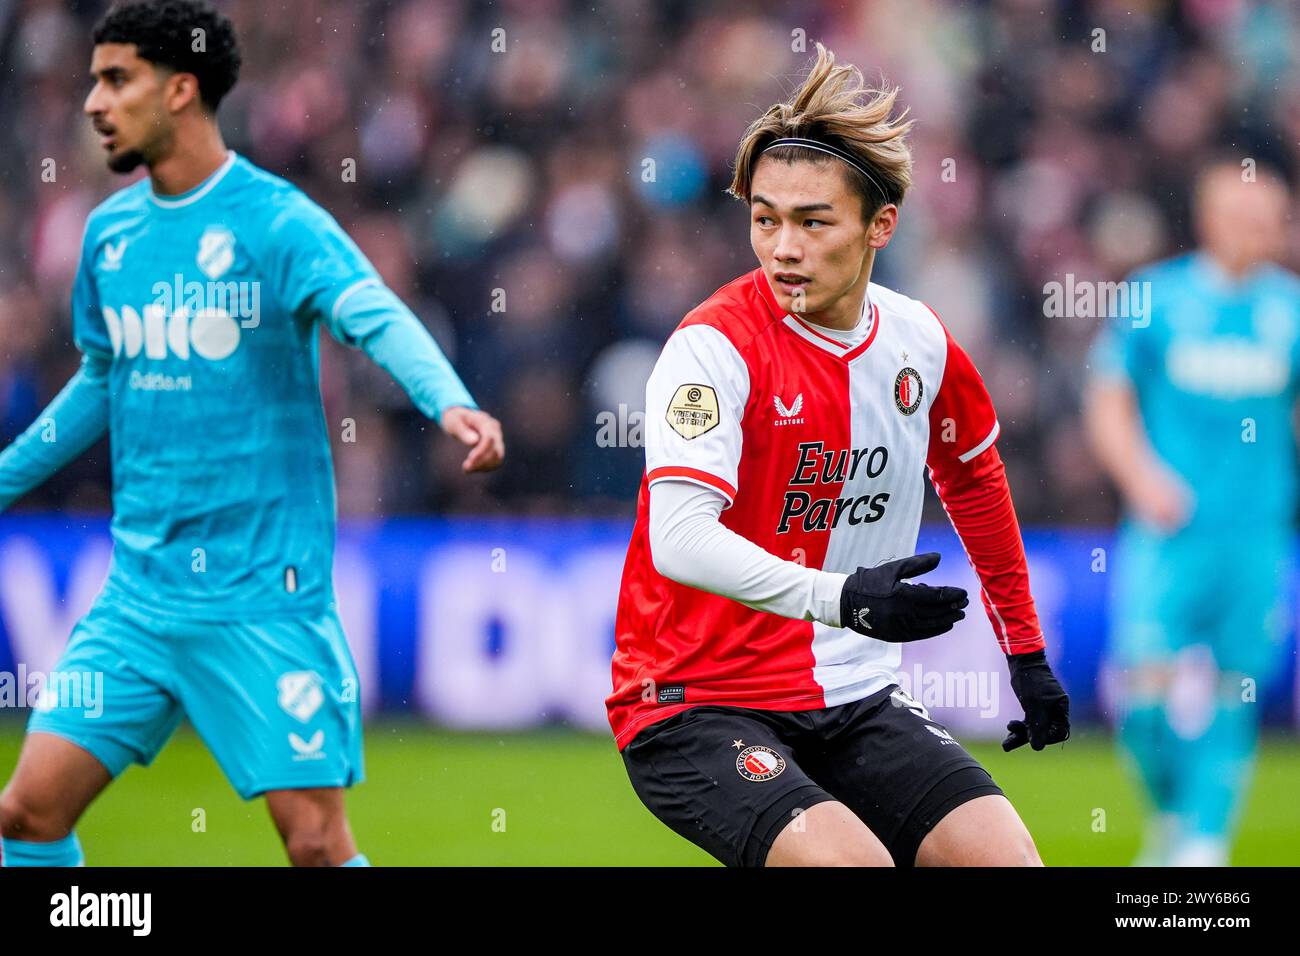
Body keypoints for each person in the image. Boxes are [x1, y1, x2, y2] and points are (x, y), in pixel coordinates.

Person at [0, 0, 503, 867]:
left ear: (182, 89)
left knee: (313, 843)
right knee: (28, 813)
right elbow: (102, 381)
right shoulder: (109, 236)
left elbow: (371, 311)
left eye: (117, 79)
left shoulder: (276, 222)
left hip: (263, 600)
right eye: (92, 80)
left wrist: (445, 397)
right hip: (139, 601)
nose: (93, 102)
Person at [606, 44, 1069, 867]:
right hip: (694, 703)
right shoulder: (711, 348)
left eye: (813, 221)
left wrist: (1025, 654)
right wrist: (841, 597)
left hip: (852, 698)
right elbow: (679, 538)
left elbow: (974, 480)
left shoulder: (917, 341)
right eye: (764, 218)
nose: (783, 247)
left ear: (879, 226)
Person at [1084, 160, 1298, 867]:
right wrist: (1142, 478)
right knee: (1143, 694)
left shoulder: (1289, 307)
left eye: (1273, 219)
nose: (1264, 232)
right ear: (1210, 219)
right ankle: (1175, 815)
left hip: (1256, 532)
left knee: (1238, 687)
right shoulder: (1156, 297)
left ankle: (1203, 842)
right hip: (1170, 531)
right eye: (1250, 217)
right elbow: (1108, 397)